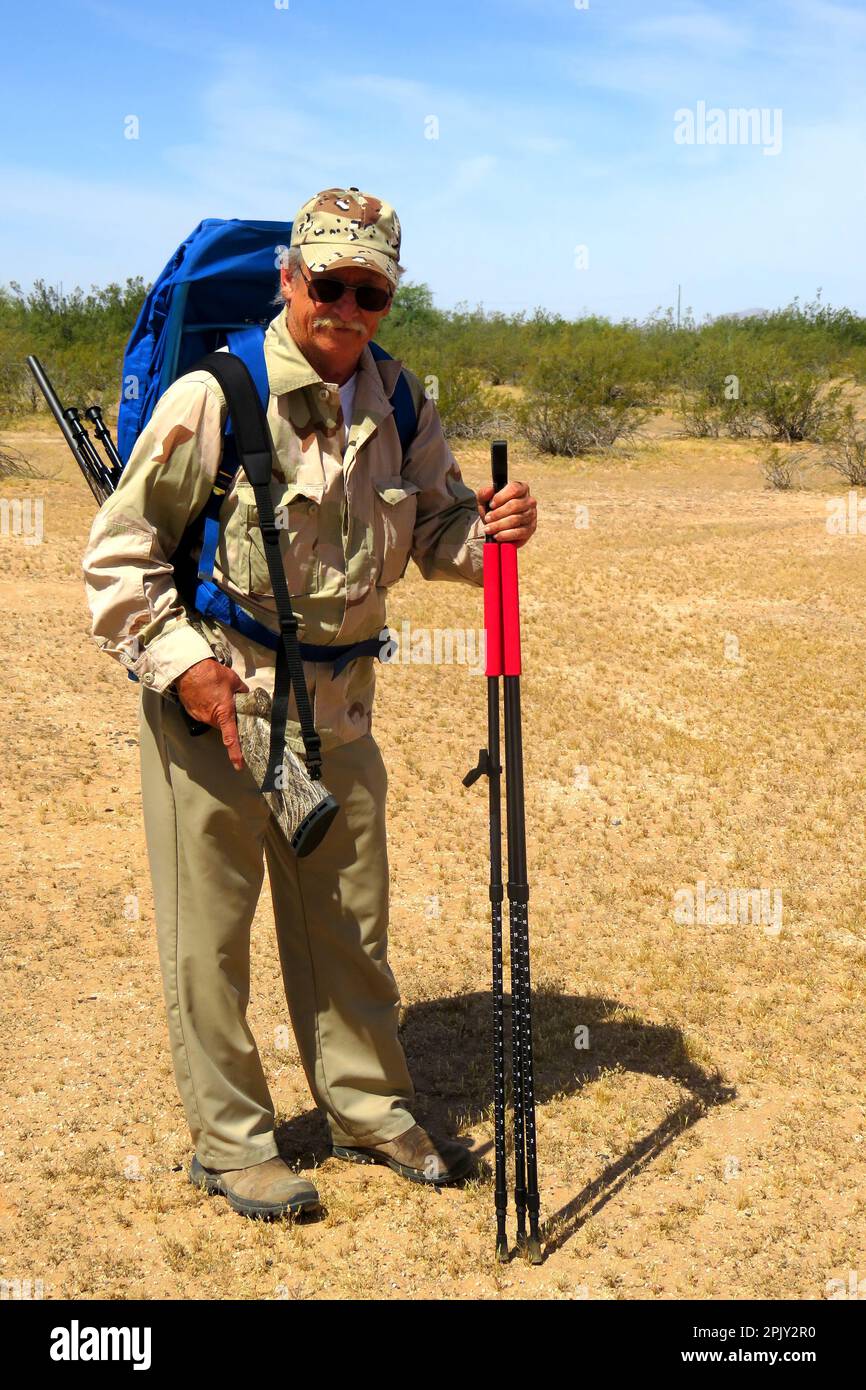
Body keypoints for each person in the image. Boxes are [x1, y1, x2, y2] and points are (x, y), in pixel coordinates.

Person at [82, 187, 538, 1220]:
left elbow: (437, 536)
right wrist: (182, 666)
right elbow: (118, 559)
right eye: (323, 283)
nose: (342, 305)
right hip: (219, 712)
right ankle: (231, 1143)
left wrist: (495, 529)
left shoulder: (399, 402)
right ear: (289, 279)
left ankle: (369, 1107)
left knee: (349, 926)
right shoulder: (215, 395)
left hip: (339, 721)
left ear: (386, 298)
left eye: (364, 290)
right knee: (211, 939)